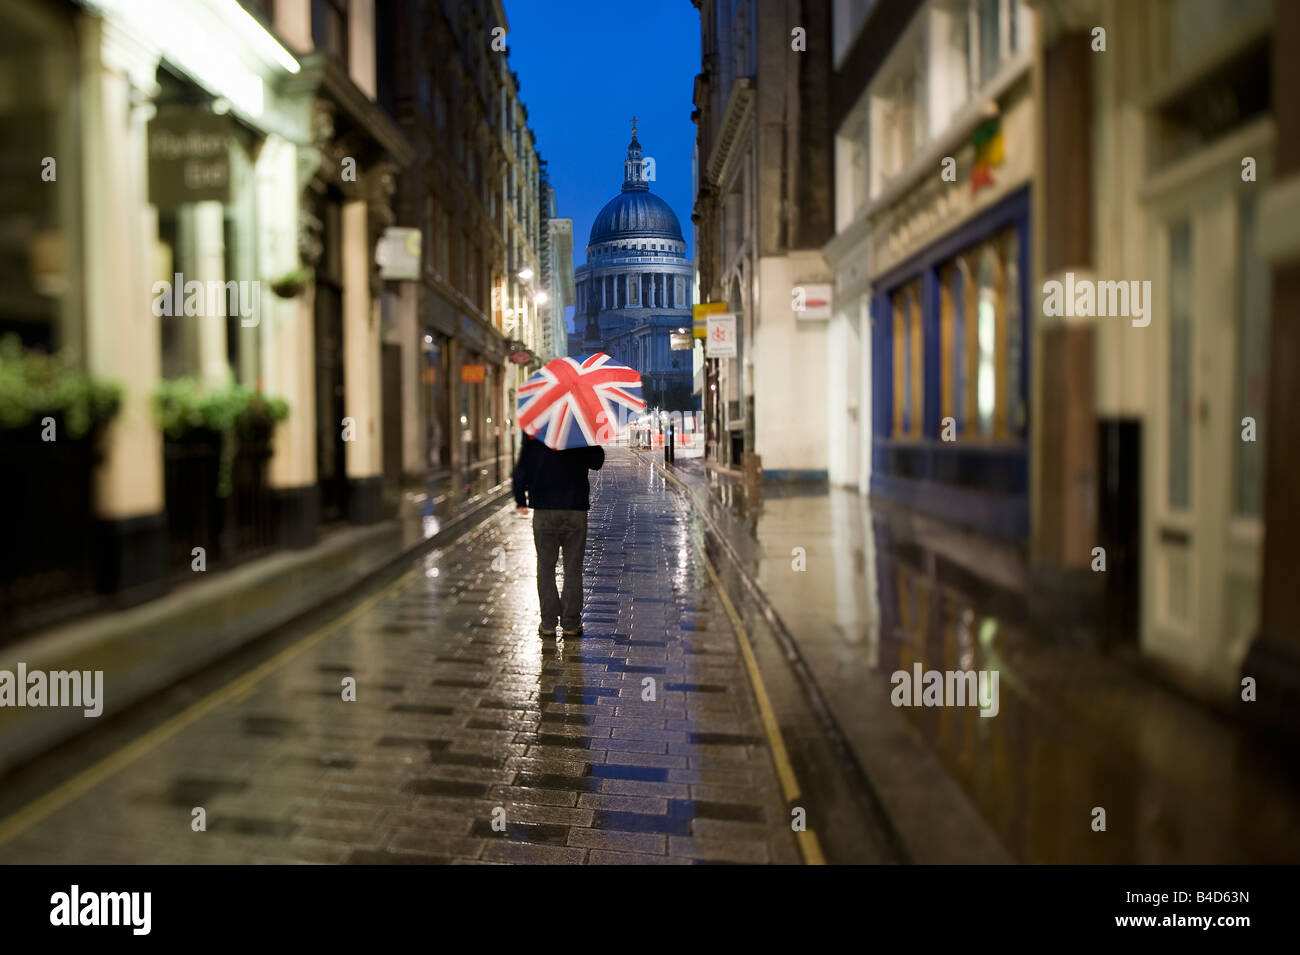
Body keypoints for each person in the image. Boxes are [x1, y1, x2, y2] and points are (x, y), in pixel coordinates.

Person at [512, 431, 604, 636]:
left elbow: (523, 466)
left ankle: (548, 622)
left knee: (545, 565)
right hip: (574, 507)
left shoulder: (536, 428)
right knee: (573, 568)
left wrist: (520, 497)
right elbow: (597, 461)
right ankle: (571, 623)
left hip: (544, 508)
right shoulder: (579, 427)